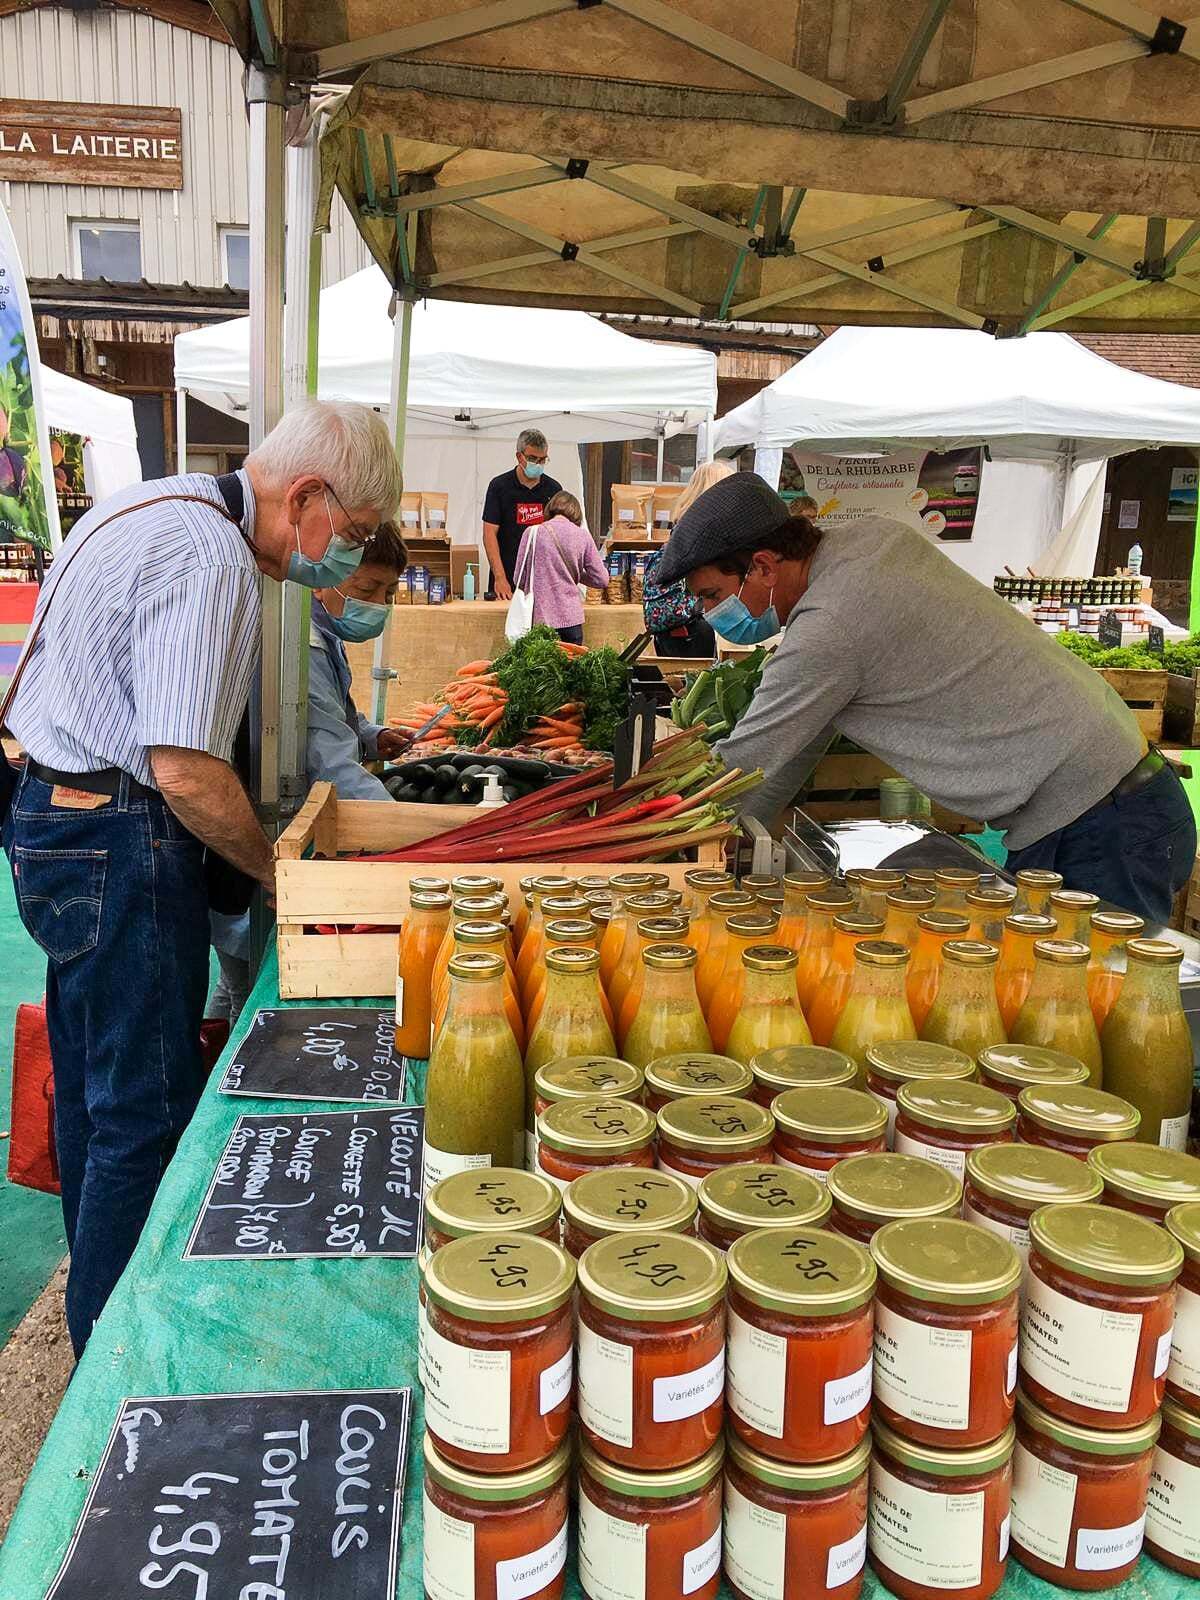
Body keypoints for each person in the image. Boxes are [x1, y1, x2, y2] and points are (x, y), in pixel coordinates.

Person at [3, 398, 402, 1355]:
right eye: (345, 535)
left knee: (103, 1096)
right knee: (140, 1109)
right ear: (305, 496)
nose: (340, 560)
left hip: (58, 822)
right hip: (118, 839)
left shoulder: (152, 504)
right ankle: (116, 1341)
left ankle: (94, 1311)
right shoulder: (210, 552)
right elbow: (181, 764)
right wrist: (275, 875)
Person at [655, 472, 1196, 926]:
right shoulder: (870, 541)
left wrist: (663, 850)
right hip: (1115, 795)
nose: (710, 614)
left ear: (765, 565)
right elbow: (791, 747)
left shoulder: (832, 627)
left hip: (1103, 824)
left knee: (1094, 1003)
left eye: (712, 596)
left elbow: (748, 760)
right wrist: (727, 836)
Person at [208, 519, 413, 1025]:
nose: (379, 604)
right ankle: (221, 1059)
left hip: (269, 827)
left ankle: (215, 1038)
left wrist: (369, 733)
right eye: (367, 589)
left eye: (388, 592)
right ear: (327, 577)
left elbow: (332, 712)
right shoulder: (301, 641)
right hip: (264, 824)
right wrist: (410, 833)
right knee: (246, 980)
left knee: (234, 973)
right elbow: (332, 764)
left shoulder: (321, 627)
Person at [641, 461, 732, 659]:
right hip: (688, 626)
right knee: (693, 681)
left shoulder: (685, 522)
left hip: (674, 626)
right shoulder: (705, 529)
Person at [512, 490, 608, 643]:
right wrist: (575, 574)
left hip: (540, 620)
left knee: (543, 666)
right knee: (572, 665)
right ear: (576, 513)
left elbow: (518, 578)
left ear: (550, 508)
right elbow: (602, 580)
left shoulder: (532, 533)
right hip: (572, 620)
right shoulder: (583, 536)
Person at [481, 428, 563, 600]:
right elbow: (489, 533)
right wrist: (500, 577)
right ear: (520, 457)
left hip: (543, 579)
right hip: (506, 580)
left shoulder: (554, 489)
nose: (538, 464)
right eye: (533, 459)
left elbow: (559, 536)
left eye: (543, 460)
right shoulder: (499, 487)